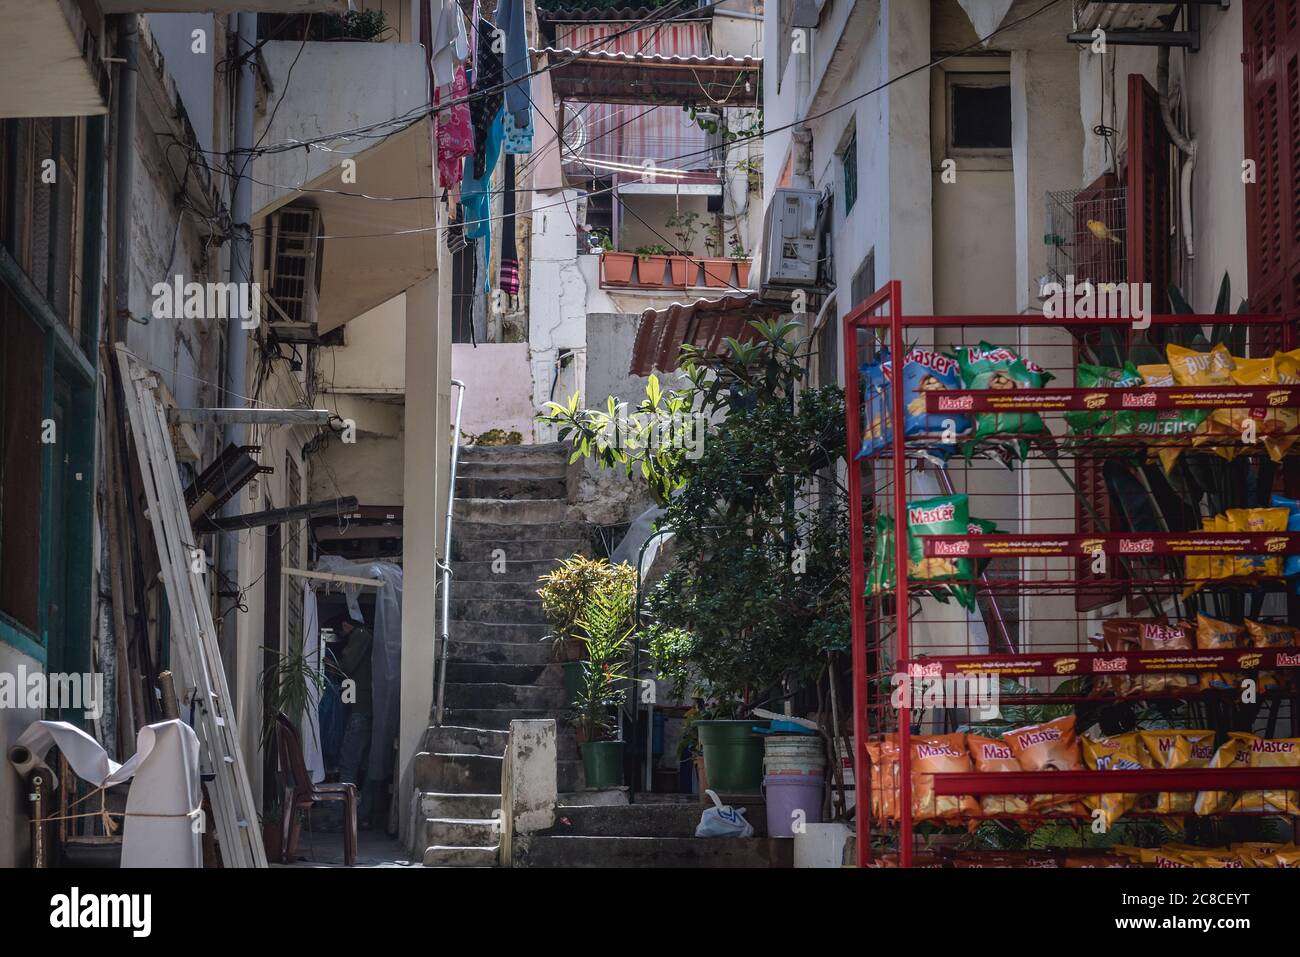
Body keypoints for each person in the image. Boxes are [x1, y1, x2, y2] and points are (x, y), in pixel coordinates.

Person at [324, 613, 376, 828]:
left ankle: (341, 818)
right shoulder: (367, 635)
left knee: (348, 763)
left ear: (345, 624)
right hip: (365, 708)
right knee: (362, 764)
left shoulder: (360, 636)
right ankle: (361, 815)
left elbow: (345, 667)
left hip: (360, 710)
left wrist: (328, 661)